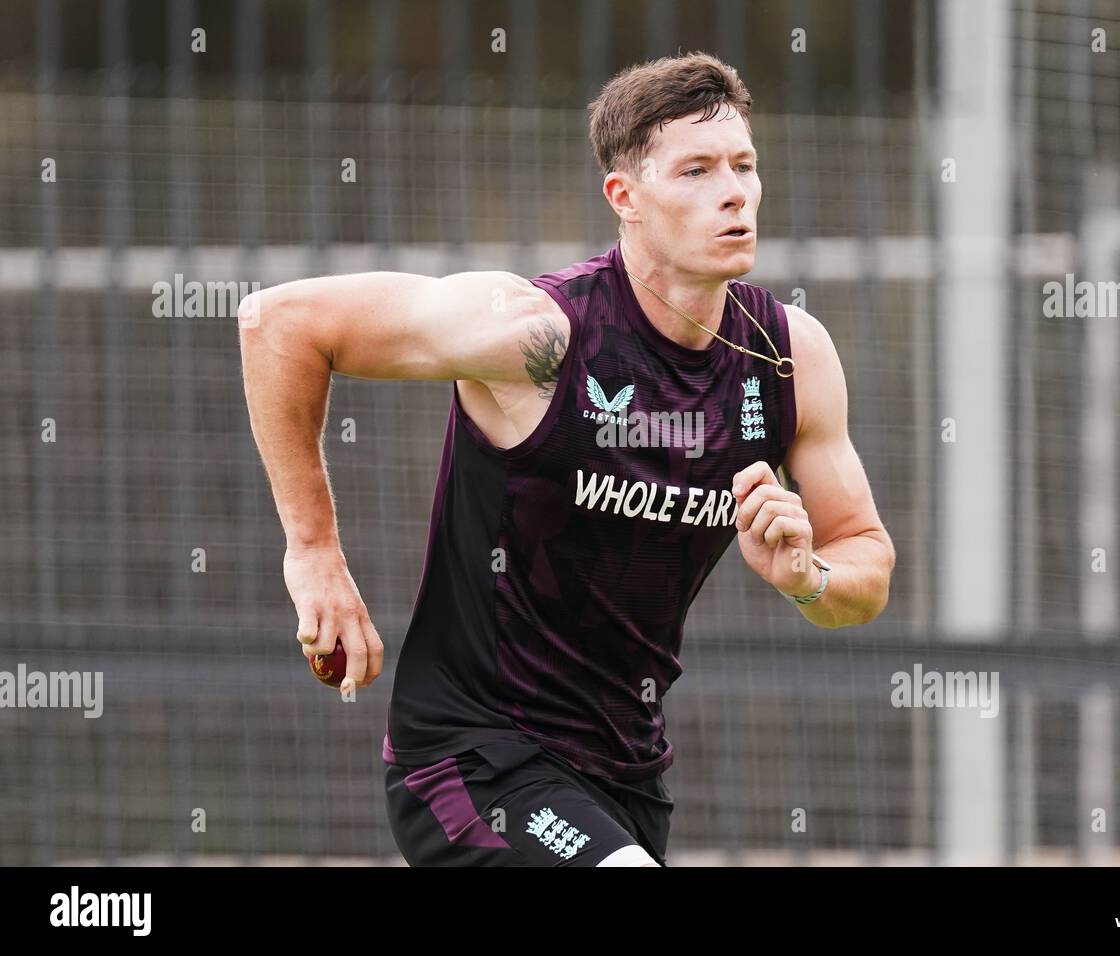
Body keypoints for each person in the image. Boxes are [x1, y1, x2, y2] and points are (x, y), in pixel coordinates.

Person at [238, 51, 895, 867]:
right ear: (625, 197)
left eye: (744, 165)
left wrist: (809, 581)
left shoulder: (788, 356)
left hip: (626, 778)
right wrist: (314, 554)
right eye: (695, 170)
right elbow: (278, 324)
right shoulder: (538, 334)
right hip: (474, 757)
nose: (734, 191)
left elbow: (864, 566)